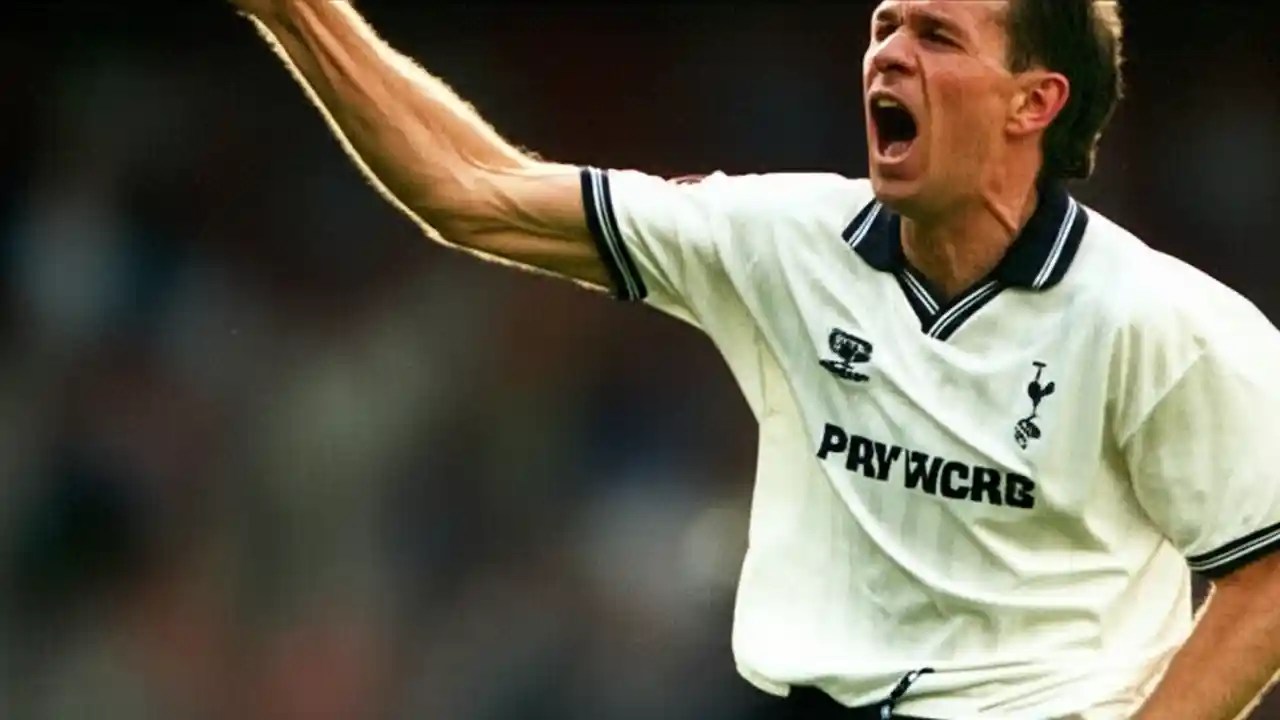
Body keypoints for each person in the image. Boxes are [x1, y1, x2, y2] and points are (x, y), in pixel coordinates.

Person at [227, 1, 1280, 718]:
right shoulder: (782, 241)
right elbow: (470, 189)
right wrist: (294, 13)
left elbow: (1265, 574)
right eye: (882, 26)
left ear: (1032, 102)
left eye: (937, 36)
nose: (888, 54)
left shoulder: (1159, 322)